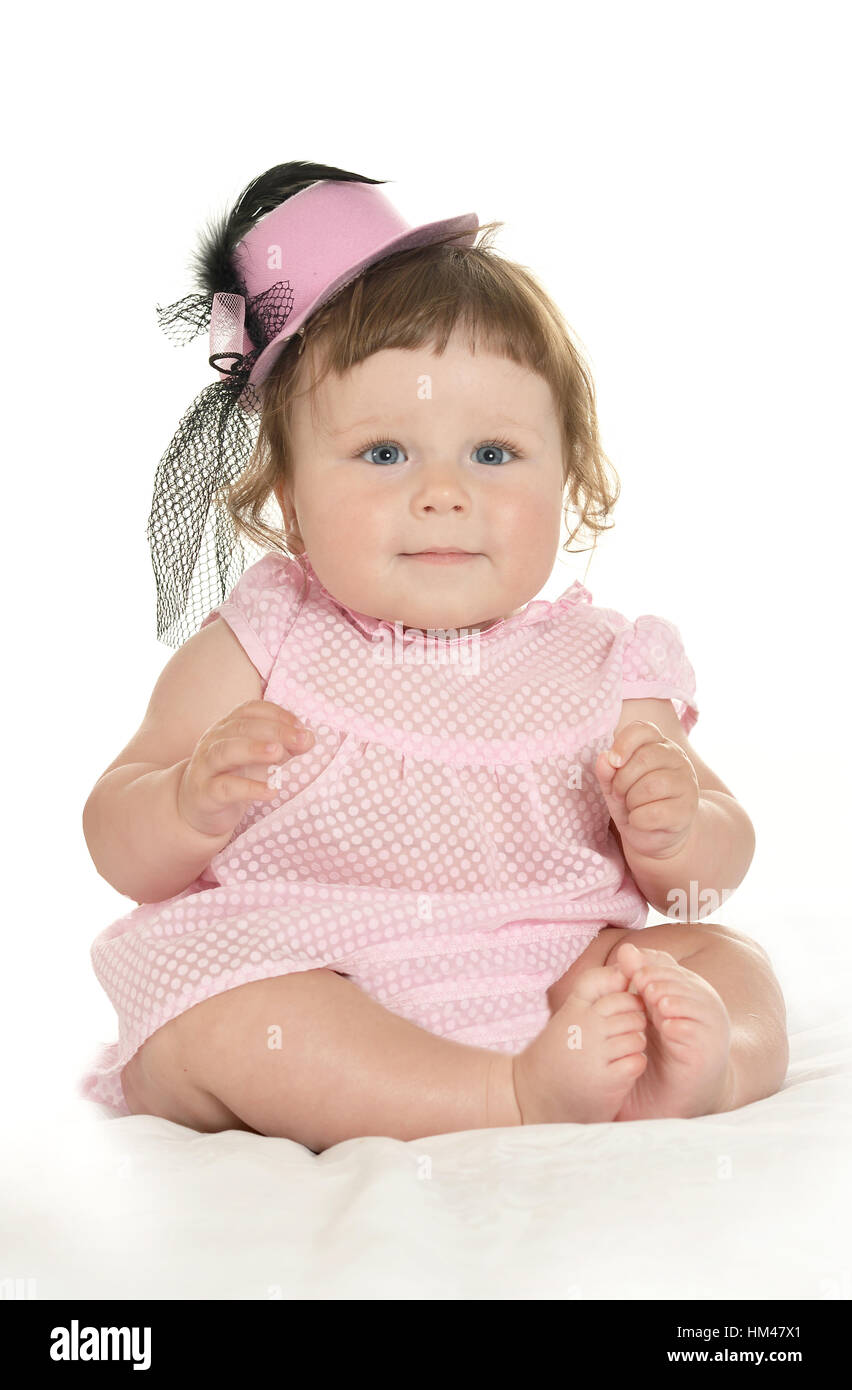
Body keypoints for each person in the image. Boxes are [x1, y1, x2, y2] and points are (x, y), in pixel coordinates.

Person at [79, 160, 788, 1153]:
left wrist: (677, 828)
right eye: (384, 454)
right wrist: (188, 798)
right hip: (321, 973)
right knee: (216, 1020)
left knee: (727, 959)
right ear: (288, 492)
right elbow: (118, 838)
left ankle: (687, 1067)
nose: (443, 494)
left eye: (493, 454)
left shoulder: (605, 661)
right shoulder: (268, 635)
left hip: (563, 979)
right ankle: (502, 1096)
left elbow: (713, 862)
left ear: (570, 475)